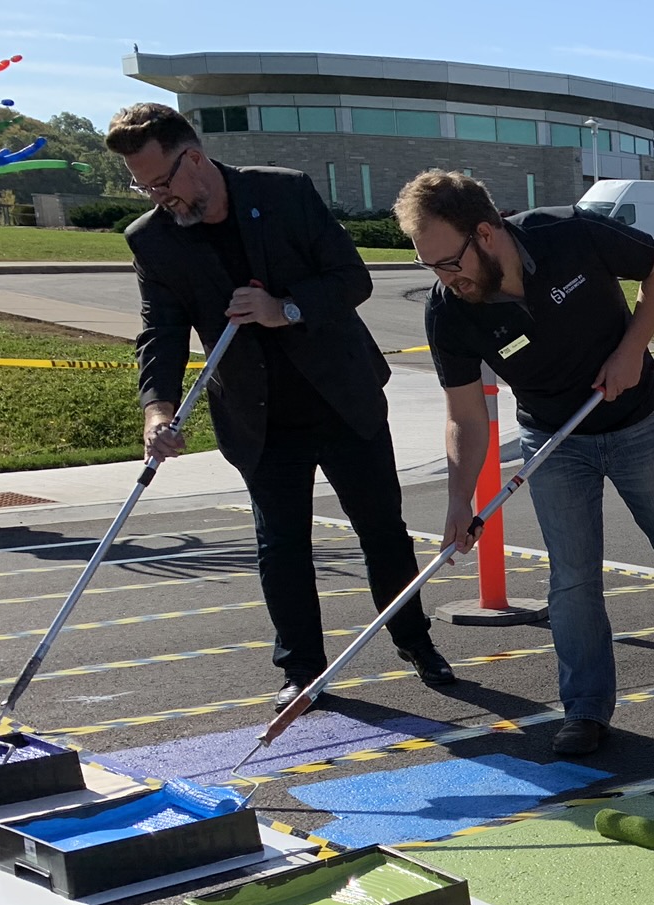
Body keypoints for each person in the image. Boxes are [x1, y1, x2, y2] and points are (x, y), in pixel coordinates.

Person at [395, 170, 654, 759]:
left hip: (637, 421)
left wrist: (630, 348)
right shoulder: (450, 311)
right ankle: (586, 710)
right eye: (430, 267)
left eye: (447, 262)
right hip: (553, 442)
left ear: (485, 234)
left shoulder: (566, 233)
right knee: (572, 577)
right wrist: (459, 500)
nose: (444, 278)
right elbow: (464, 416)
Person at [107, 102, 457, 711]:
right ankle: (302, 670)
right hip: (257, 416)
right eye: (142, 186)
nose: (155, 196)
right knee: (282, 546)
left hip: (342, 400)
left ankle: (414, 641)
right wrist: (157, 410)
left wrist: (284, 308)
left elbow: (352, 279)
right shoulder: (153, 240)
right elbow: (159, 331)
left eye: (159, 181)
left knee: (383, 533)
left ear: (194, 158)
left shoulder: (284, 193)